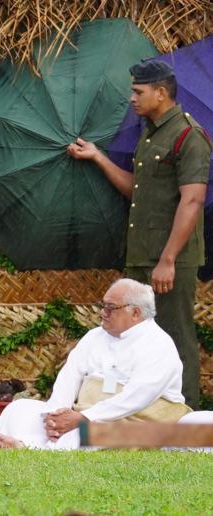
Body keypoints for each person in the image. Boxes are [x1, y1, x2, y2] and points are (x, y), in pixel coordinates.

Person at [67, 59, 213, 408]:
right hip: (141, 255)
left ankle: (185, 417)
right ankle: (140, 410)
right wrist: (98, 157)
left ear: (161, 93)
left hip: (169, 260)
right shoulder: (150, 133)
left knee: (175, 337)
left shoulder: (187, 136)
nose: (132, 98)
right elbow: (138, 190)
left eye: (138, 91)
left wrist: (168, 260)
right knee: (134, 338)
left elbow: (193, 201)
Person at [0, 279, 192, 450]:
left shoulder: (158, 344)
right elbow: (70, 375)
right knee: (19, 408)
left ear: (136, 313)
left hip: (136, 422)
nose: (103, 313)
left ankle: (26, 448)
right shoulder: (95, 336)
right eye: (103, 306)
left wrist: (84, 417)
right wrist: (55, 415)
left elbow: (137, 397)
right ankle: (2, 442)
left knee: (85, 432)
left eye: (111, 308)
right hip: (84, 413)